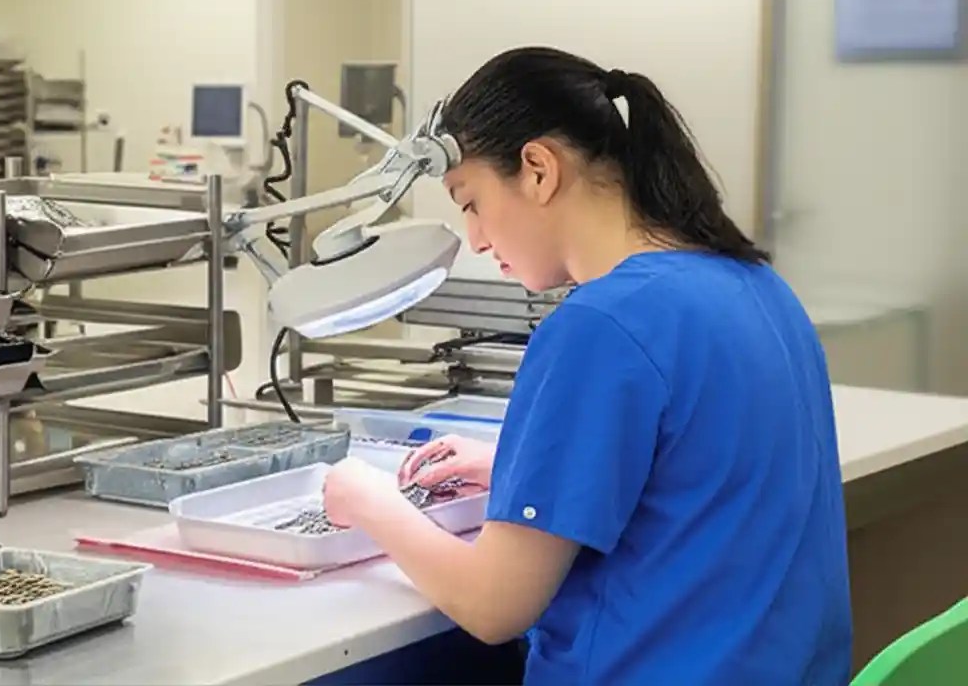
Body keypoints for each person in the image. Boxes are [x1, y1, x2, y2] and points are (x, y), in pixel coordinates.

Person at [321, 46, 853, 685]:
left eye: (471, 203)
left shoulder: (601, 326)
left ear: (538, 170)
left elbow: (494, 606)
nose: (477, 240)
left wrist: (369, 498)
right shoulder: (759, 288)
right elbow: (701, 471)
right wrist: (519, 471)